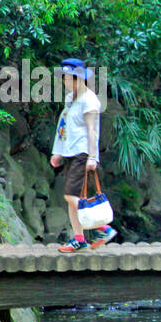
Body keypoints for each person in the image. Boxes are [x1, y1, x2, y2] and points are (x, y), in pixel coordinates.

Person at [49, 58, 117, 253]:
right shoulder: (71, 98)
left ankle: (102, 228)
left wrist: (92, 157)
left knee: (71, 195)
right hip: (69, 151)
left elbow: (92, 130)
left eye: (66, 77)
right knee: (71, 196)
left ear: (77, 78)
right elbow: (64, 126)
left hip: (81, 152)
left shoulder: (90, 100)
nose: (64, 81)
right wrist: (58, 152)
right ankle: (78, 238)